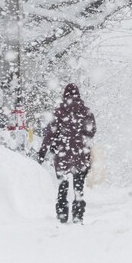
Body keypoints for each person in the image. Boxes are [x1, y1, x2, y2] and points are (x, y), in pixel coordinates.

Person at [38, 83, 96, 224]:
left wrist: (43, 151)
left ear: (65, 95)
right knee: (78, 187)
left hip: (63, 156)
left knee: (62, 187)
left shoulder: (58, 112)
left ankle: (62, 213)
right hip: (80, 156)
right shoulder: (86, 112)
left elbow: (49, 135)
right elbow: (91, 131)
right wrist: (80, 139)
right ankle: (78, 214)